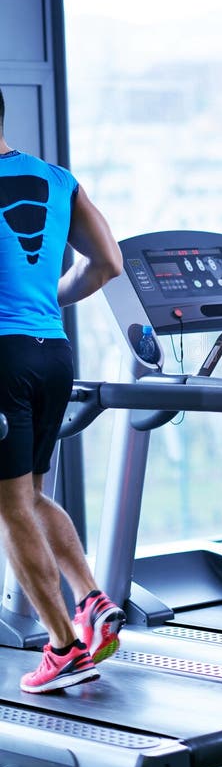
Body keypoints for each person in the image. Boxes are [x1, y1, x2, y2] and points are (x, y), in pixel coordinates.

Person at [0, 87, 127, 692]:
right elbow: (108, 263)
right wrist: (49, 301)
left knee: (9, 506)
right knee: (31, 492)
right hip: (53, 352)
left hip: (0, 358)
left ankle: (62, 646)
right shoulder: (57, 179)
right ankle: (92, 600)